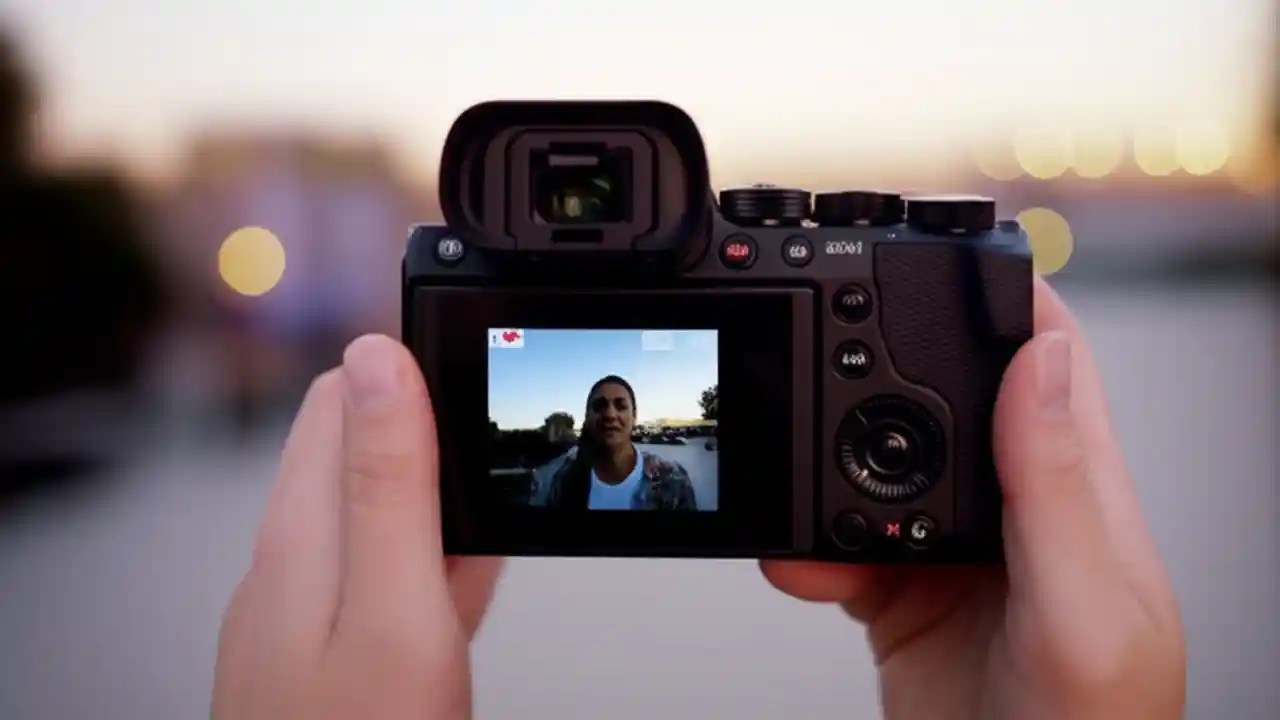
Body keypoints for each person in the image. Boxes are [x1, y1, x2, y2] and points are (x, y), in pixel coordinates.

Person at [211, 278, 1186, 719]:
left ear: (637, 417)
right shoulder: (546, 486)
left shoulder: (677, 480)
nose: (605, 417)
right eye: (594, 402)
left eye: (619, 401)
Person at [542, 374, 698, 510]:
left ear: (634, 417)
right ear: (587, 418)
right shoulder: (563, 480)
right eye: (599, 406)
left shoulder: (673, 481)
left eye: (621, 406)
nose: (610, 414)